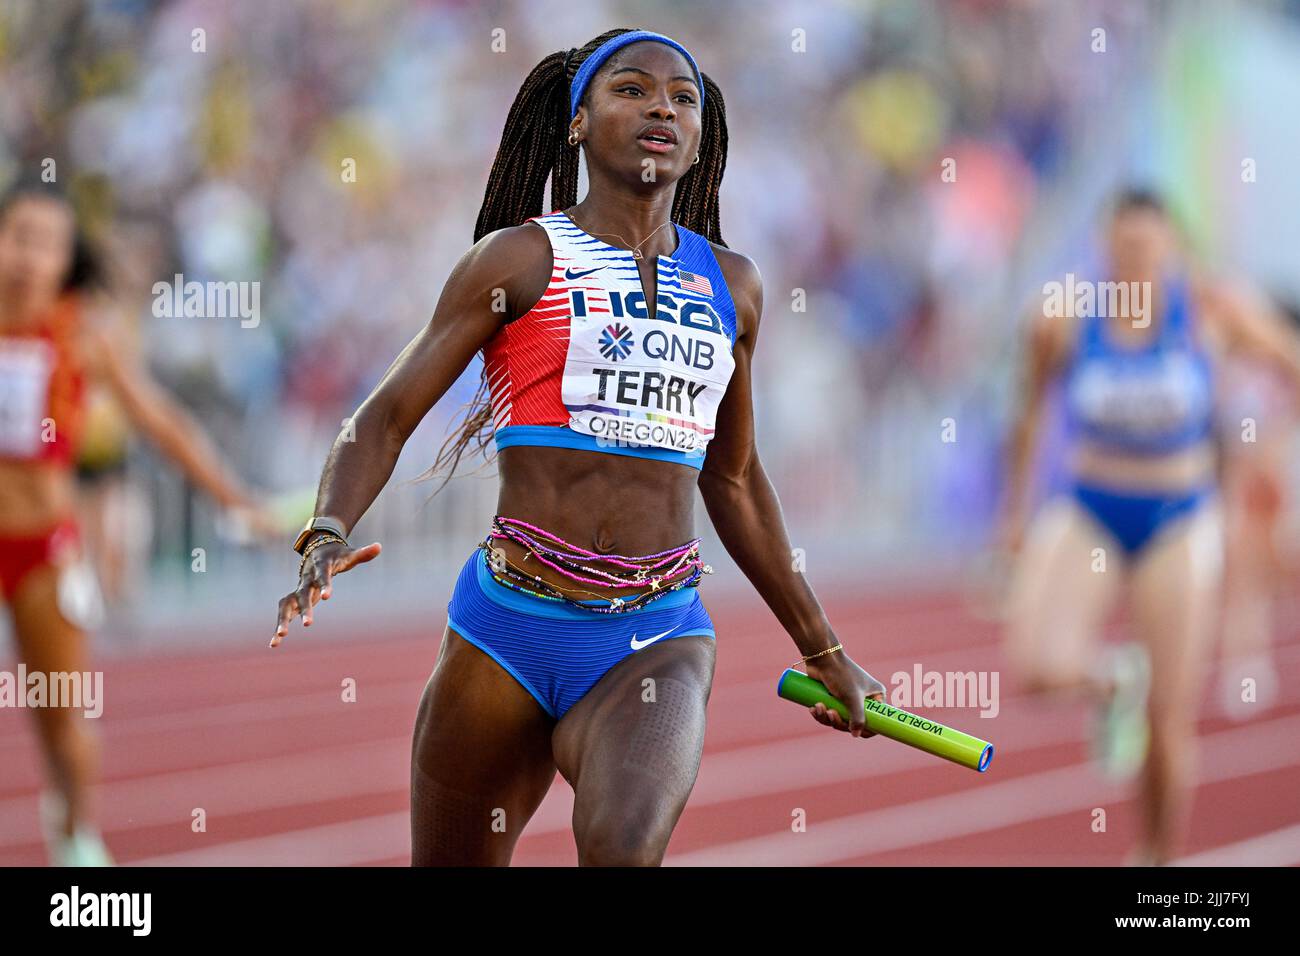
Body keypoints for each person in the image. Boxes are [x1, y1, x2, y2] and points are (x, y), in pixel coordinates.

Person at [273, 28, 887, 867]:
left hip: (655, 633)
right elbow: (381, 420)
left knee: (622, 849)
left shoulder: (731, 286)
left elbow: (735, 481)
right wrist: (328, 528)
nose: (660, 108)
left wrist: (826, 649)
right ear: (576, 122)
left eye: (682, 98)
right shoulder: (520, 260)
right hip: (505, 631)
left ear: (702, 136)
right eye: (632, 90)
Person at [998, 187, 1300, 865]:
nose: (1134, 258)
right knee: (1037, 665)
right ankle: (1112, 681)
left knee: (1171, 722)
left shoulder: (1212, 309)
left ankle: (1156, 860)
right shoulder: (1065, 316)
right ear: (1103, 244)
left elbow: (1290, 363)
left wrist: (1268, 445)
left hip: (1178, 518)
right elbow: (1027, 414)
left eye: (1148, 245)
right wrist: (1014, 513)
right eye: (1122, 245)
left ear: (1172, 246)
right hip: (1089, 506)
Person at [0, 177, 275, 865]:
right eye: (17, 237)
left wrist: (235, 499)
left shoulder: (86, 336)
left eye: (45, 243)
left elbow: (161, 422)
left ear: (68, 259)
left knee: (58, 715)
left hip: (42, 550)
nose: (27, 257)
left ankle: (74, 836)